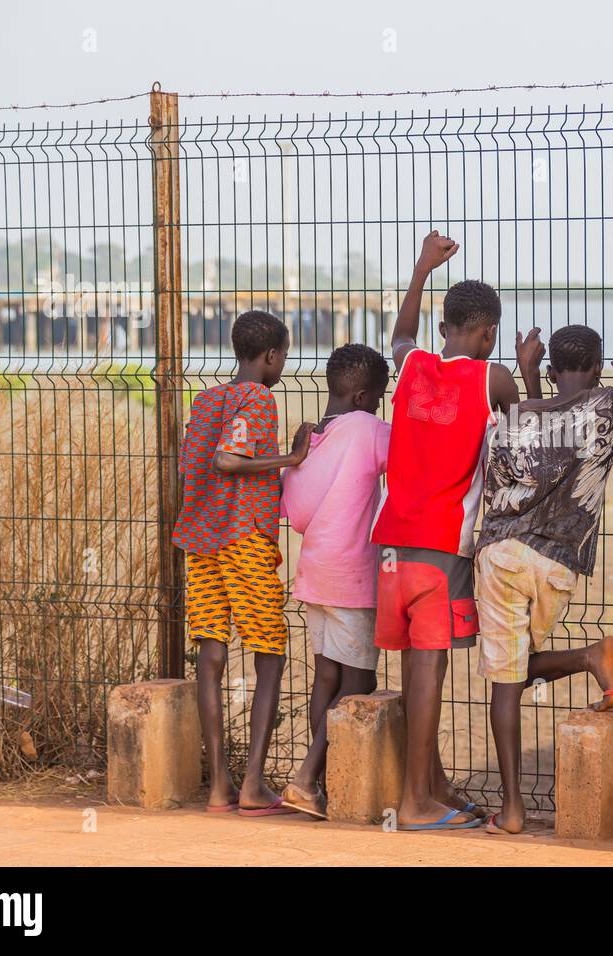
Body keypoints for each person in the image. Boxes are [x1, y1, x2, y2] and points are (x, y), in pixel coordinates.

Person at [370, 230, 541, 831]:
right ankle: (416, 801)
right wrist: (529, 373)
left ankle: (433, 783)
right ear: (490, 333)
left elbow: (401, 336)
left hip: (391, 542)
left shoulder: (413, 365)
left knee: (413, 667)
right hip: (444, 547)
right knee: (430, 671)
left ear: (446, 328)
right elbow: (528, 437)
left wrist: (420, 268)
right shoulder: (491, 380)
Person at [474, 324, 613, 834]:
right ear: (601, 365)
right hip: (558, 564)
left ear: (550, 368)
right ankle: (592, 657)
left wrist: (526, 377)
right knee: (516, 669)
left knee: (507, 677)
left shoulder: (512, 417)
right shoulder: (609, 405)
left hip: (501, 554)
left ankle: (514, 808)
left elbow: (536, 458)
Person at [172, 309, 313, 816]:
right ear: (272, 355)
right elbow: (227, 460)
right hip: (244, 541)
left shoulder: (206, 400)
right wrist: (290, 460)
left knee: (212, 655)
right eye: (284, 357)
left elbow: (196, 465)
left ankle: (219, 788)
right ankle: (254, 784)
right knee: (269, 653)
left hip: (201, 541)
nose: (282, 366)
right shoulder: (258, 397)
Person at [278, 343, 392, 819]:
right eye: (382, 398)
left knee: (326, 676)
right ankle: (306, 778)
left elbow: (296, 511)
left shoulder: (311, 436)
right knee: (359, 679)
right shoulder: (368, 429)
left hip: (316, 572)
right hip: (353, 576)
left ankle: (321, 780)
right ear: (365, 397)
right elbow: (408, 459)